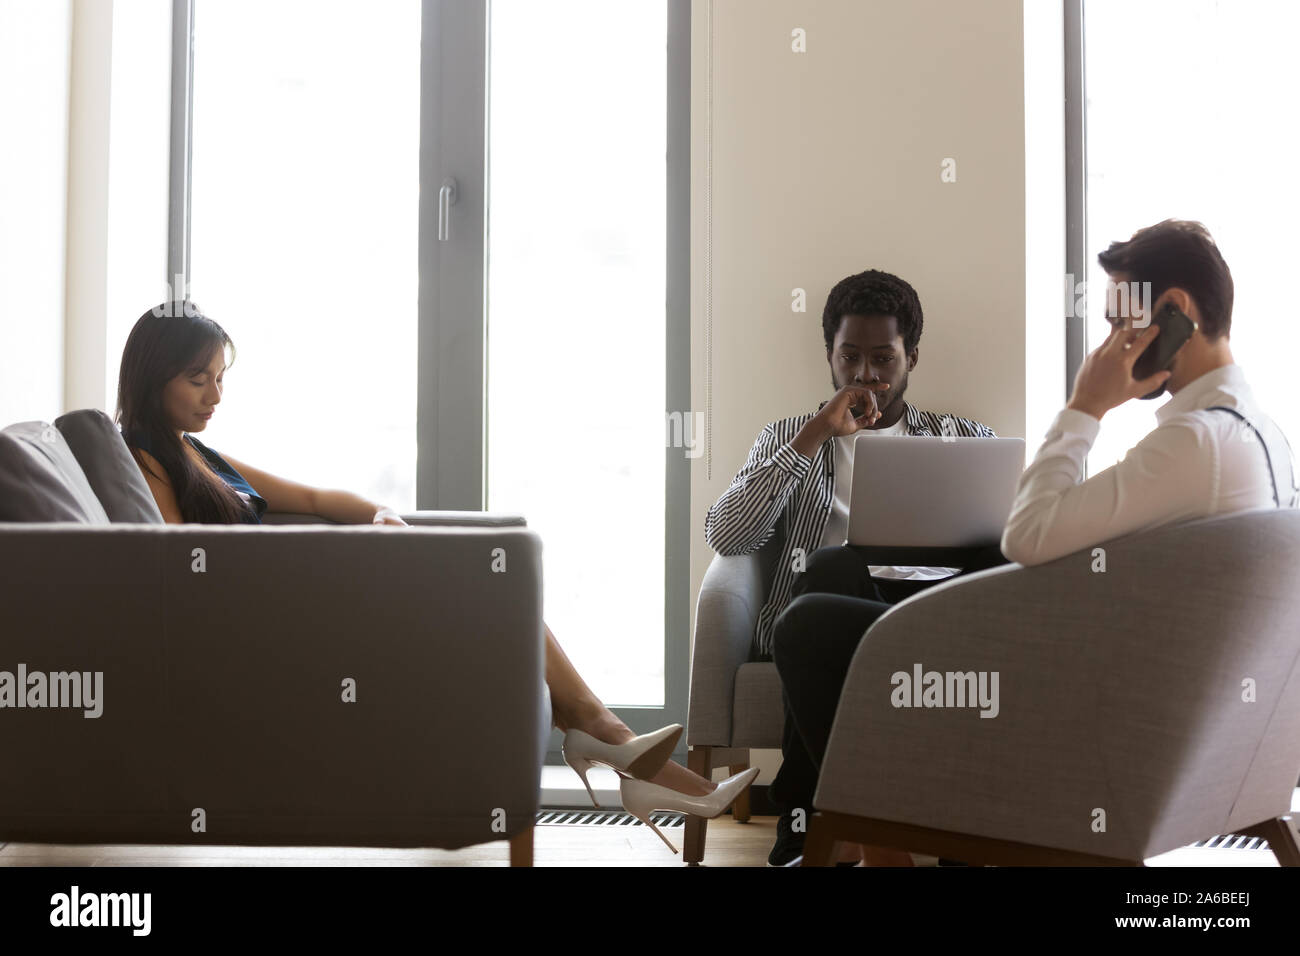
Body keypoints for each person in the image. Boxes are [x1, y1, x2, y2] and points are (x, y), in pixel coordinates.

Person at [115, 302, 758, 855]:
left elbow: (312, 497)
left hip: (304, 606)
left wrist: (380, 514)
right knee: (493, 588)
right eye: (198, 379)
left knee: (499, 594)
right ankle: (618, 748)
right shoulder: (146, 463)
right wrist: (324, 573)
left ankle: (610, 740)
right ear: (153, 379)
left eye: (220, 378)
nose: (216, 396)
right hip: (284, 632)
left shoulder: (194, 453)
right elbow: (192, 577)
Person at [774, 219, 1297, 867]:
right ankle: (878, 835)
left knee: (810, 627)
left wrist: (1087, 406)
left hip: (1080, 714)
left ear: (1175, 312)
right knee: (832, 569)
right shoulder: (1260, 435)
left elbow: (1028, 534)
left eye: (1118, 322)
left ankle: (884, 844)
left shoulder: (1194, 445)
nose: (1112, 344)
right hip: (1149, 702)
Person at [703, 269, 1006, 866]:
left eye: (883, 358)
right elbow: (727, 533)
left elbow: (1012, 531)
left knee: (995, 561)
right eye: (850, 357)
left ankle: (961, 824)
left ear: (911, 356)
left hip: (929, 616)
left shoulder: (959, 438)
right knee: (831, 566)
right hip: (831, 609)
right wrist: (817, 435)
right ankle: (808, 819)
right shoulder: (791, 437)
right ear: (829, 358)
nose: (866, 374)